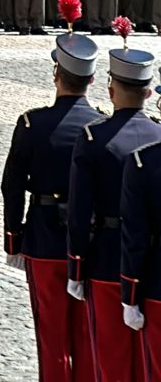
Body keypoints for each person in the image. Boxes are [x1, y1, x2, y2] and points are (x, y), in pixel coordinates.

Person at [1, 31, 103, 382]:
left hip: (44, 237)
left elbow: (12, 186)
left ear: (56, 74)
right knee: (88, 334)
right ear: (91, 80)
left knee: (51, 334)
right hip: (91, 242)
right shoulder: (100, 125)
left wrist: (14, 238)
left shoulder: (33, 123)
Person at [68, 47, 161, 382]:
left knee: (112, 362)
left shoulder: (94, 138)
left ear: (110, 89)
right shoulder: (157, 135)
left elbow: (80, 212)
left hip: (106, 260)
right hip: (151, 265)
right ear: (148, 93)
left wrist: (75, 268)